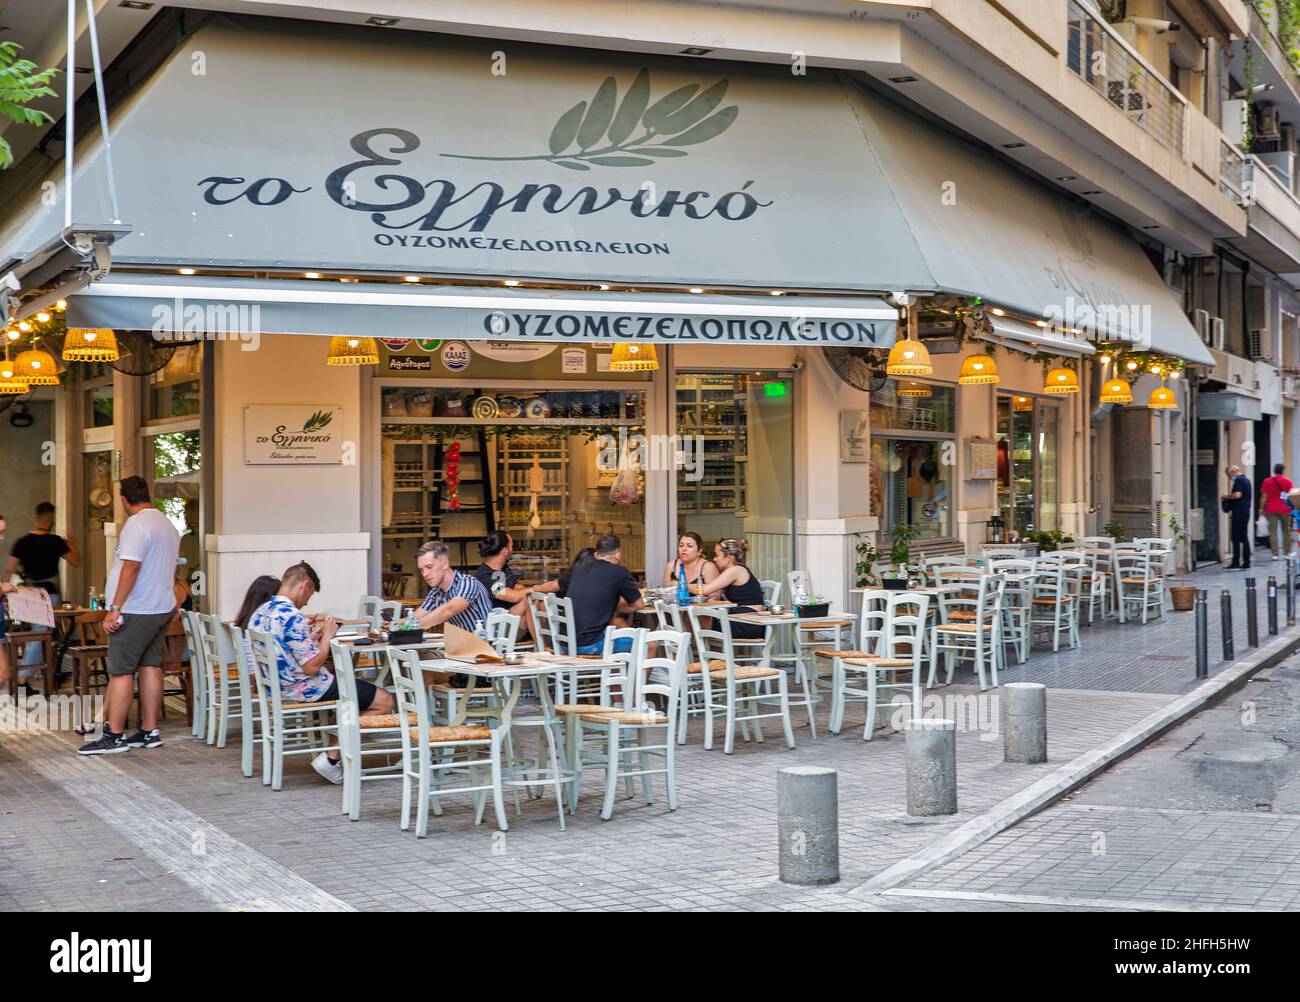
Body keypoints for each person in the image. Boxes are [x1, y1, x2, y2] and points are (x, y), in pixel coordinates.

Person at [247, 562, 395, 784]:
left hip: (276, 688)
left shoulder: (260, 612)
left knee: (351, 696)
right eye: (309, 595)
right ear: (305, 585)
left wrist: (310, 638)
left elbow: (286, 650)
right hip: (305, 688)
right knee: (383, 700)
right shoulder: (291, 615)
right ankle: (332, 757)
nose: (306, 602)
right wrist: (327, 634)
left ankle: (339, 747)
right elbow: (312, 667)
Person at [77, 477, 181, 756]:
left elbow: (132, 567)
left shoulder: (137, 525)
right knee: (150, 666)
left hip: (136, 609)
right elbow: (171, 570)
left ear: (124, 500)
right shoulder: (167, 523)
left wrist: (115, 607)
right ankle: (149, 731)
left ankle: (114, 734)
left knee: (121, 671)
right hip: (161, 606)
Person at [6, 500, 79, 679]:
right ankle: (24, 676)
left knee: (39, 632)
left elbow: (10, 568)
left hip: (26, 591)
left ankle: (49, 671)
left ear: (35, 517)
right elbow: (76, 561)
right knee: (41, 633)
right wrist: (72, 543)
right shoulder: (55, 541)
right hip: (48, 592)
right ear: (51, 518)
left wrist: (5, 594)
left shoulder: (22, 542)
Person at [560, 534, 643, 654]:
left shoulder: (579, 569)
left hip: (565, 643)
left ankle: (615, 672)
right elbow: (638, 605)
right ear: (618, 555)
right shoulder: (620, 572)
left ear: (596, 555)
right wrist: (617, 606)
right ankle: (627, 673)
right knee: (648, 644)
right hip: (589, 645)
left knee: (615, 630)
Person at [414, 540, 494, 632]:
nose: (425, 574)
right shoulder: (436, 592)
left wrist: (413, 625)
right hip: (461, 643)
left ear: (445, 564)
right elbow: (415, 617)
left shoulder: (468, 582)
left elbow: (449, 610)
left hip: (483, 643)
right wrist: (396, 625)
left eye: (429, 567)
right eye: (421, 570)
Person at [695, 538, 766, 640]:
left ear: (728, 557)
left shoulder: (735, 570)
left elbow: (704, 590)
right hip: (744, 619)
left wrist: (681, 584)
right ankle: (712, 654)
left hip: (749, 624)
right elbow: (713, 596)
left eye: (717, 555)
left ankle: (708, 653)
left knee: (701, 619)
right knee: (703, 618)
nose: (714, 559)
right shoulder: (736, 570)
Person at [473, 530, 533, 636]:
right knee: (529, 598)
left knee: (535, 601)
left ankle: (543, 644)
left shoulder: (503, 569)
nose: (512, 550)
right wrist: (537, 588)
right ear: (505, 551)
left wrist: (518, 592)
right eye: (511, 546)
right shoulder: (486, 575)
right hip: (497, 629)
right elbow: (514, 596)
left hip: (513, 621)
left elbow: (519, 588)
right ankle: (542, 644)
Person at [1260, 463, 1294, 561]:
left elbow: (1264, 496)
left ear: (1274, 470)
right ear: (1283, 470)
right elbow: (1289, 496)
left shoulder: (1267, 481)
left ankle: (1274, 554)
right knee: (1286, 531)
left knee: (1273, 531)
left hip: (1271, 509)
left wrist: (1261, 509)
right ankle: (1286, 553)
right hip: (1284, 508)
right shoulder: (1287, 481)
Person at [1223, 464, 1253, 570]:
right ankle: (1246, 561)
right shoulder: (1247, 480)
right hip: (1245, 512)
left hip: (1238, 513)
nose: (1230, 478)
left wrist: (1226, 496)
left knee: (1235, 538)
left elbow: (1237, 495)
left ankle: (1236, 561)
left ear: (1233, 472)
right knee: (1244, 537)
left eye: (1229, 475)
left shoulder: (1239, 481)